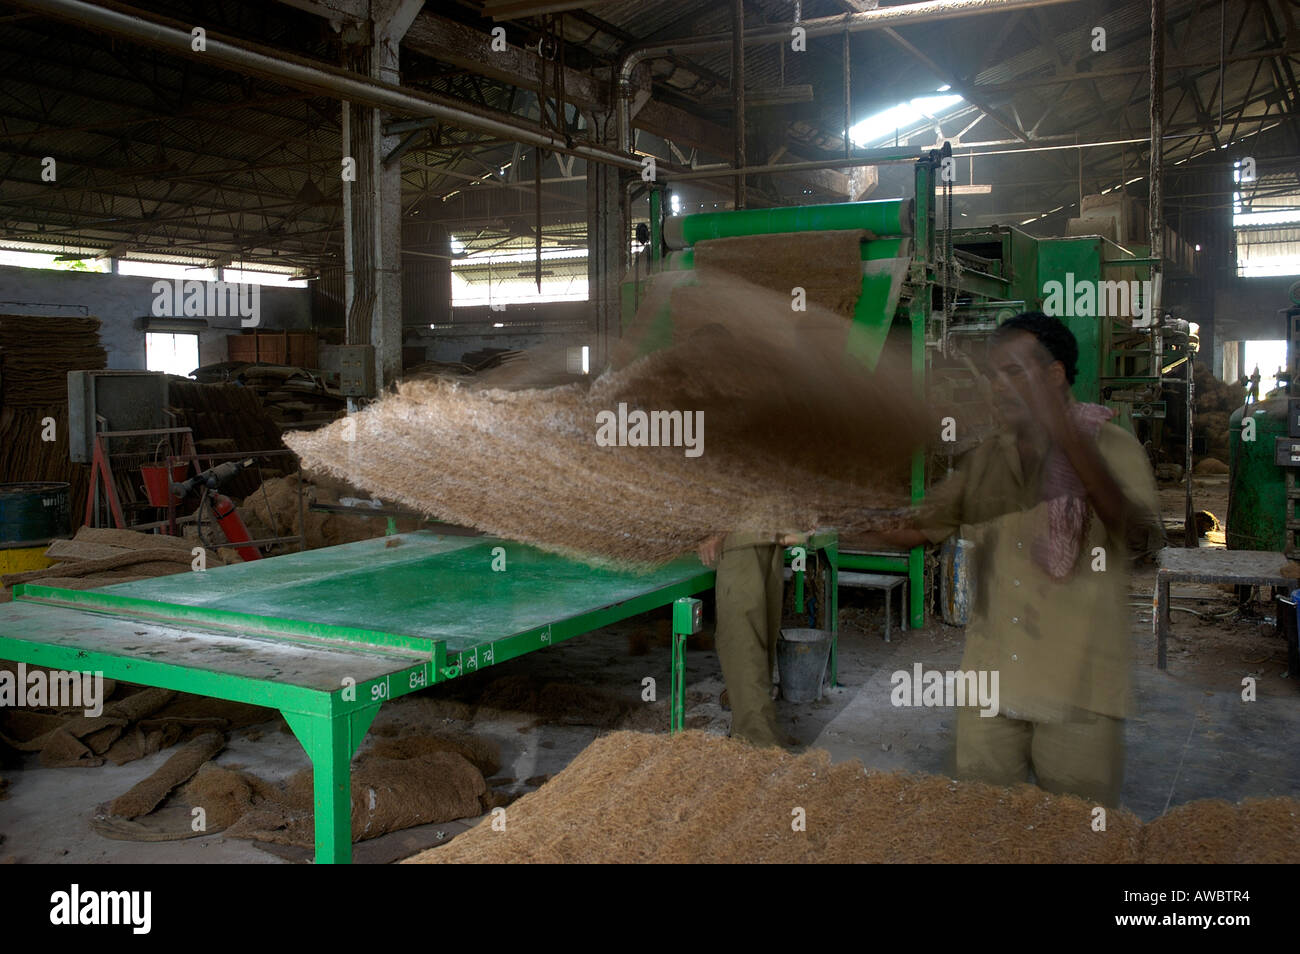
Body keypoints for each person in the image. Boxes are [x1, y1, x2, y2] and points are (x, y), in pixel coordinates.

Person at [868, 312, 1162, 806]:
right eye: (993, 375)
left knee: (1074, 839)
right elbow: (917, 528)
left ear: (1055, 376)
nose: (997, 387)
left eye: (1013, 373)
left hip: (1077, 693)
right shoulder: (986, 460)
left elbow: (1139, 539)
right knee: (982, 831)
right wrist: (839, 508)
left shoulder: (1111, 446)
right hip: (992, 685)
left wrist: (1069, 440)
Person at [698, 531, 805, 748]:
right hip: (768, 534)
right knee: (761, 634)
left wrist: (713, 531)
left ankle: (758, 742)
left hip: (740, 537)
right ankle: (757, 730)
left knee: (741, 638)